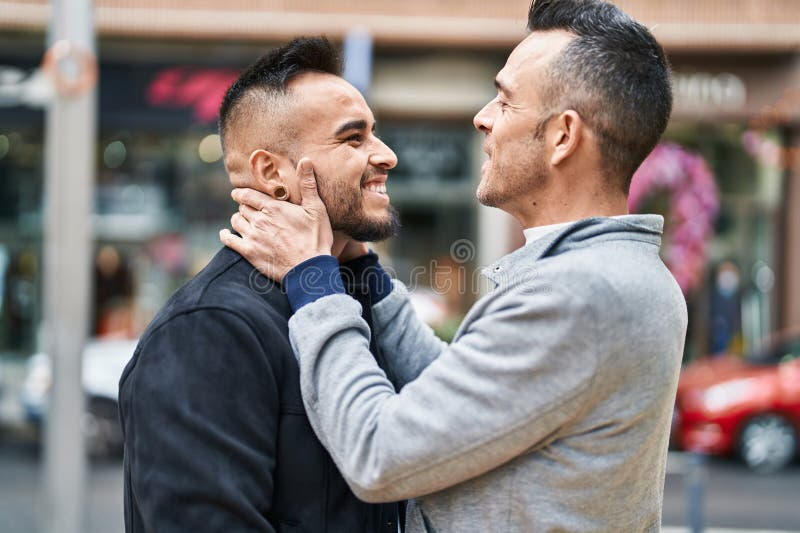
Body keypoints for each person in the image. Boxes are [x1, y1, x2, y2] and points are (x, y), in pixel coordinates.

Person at [223, 0, 688, 531]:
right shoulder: (623, 275)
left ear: (563, 136)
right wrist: (366, 275)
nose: (481, 117)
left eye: (505, 101)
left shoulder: (580, 294)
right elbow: (453, 400)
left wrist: (313, 280)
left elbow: (379, 453)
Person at [118, 37, 405, 532]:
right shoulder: (209, 330)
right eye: (353, 138)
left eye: (373, 134)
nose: (387, 156)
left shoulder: (343, 303)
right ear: (272, 173)